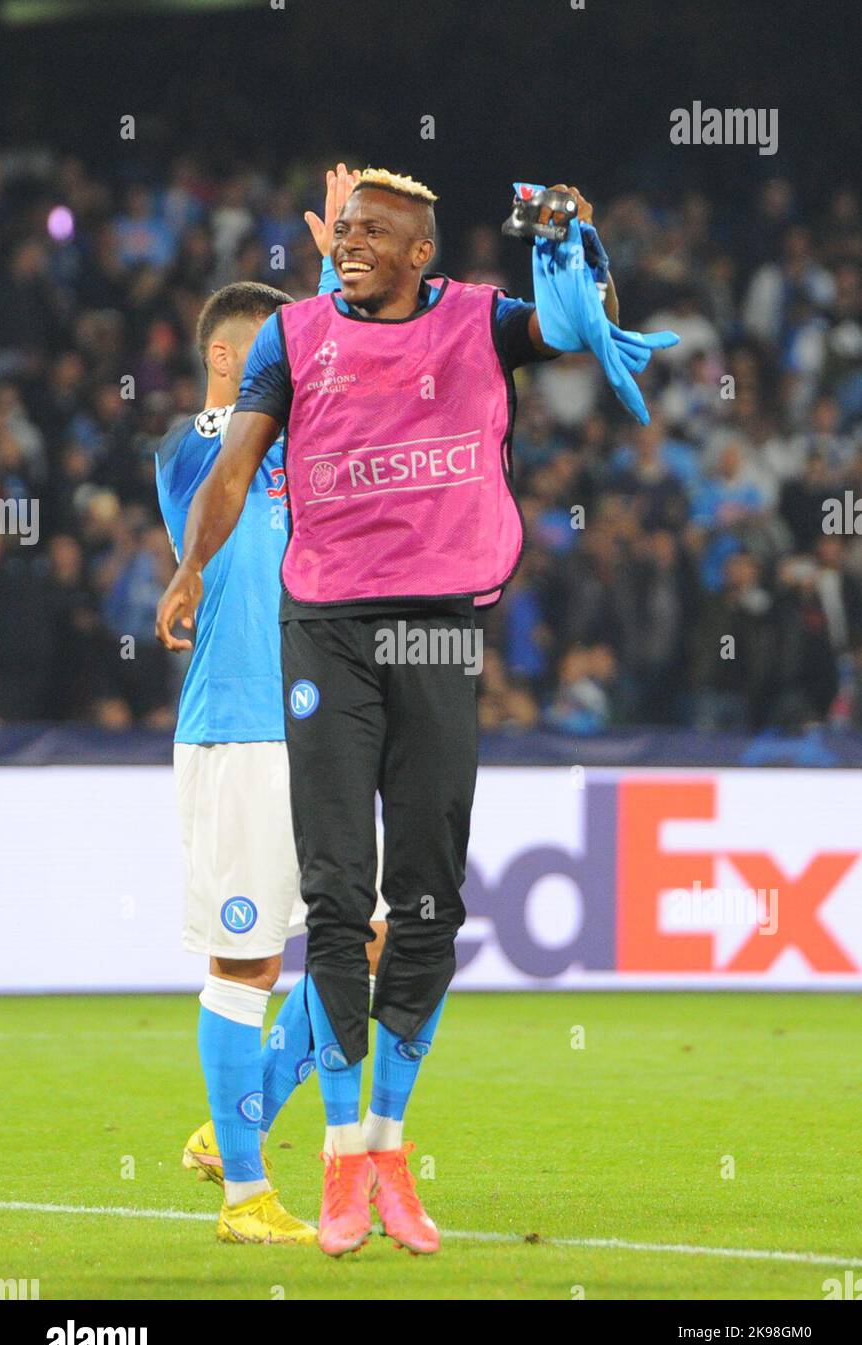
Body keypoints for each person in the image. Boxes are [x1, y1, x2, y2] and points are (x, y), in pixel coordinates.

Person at [156, 170, 670, 1257]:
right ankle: (305, 1164)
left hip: (435, 628)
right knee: (315, 920)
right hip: (305, 658)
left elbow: (577, 325)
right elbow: (235, 462)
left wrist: (574, 244)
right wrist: (189, 568)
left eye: (372, 234)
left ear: (419, 254)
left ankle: (377, 1143)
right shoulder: (269, 363)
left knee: (420, 908)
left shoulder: (468, 324)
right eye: (342, 232)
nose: (348, 245)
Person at [156, 166, 386, 1245]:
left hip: (310, 731)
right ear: (226, 361)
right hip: (240, 734)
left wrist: (351, 263)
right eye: (273, 358)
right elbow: (226, 458)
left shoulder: (303, 452)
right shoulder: (195, 449)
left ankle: (228, 1124)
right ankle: (247, 1194)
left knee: (369, 941)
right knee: (245, 962)